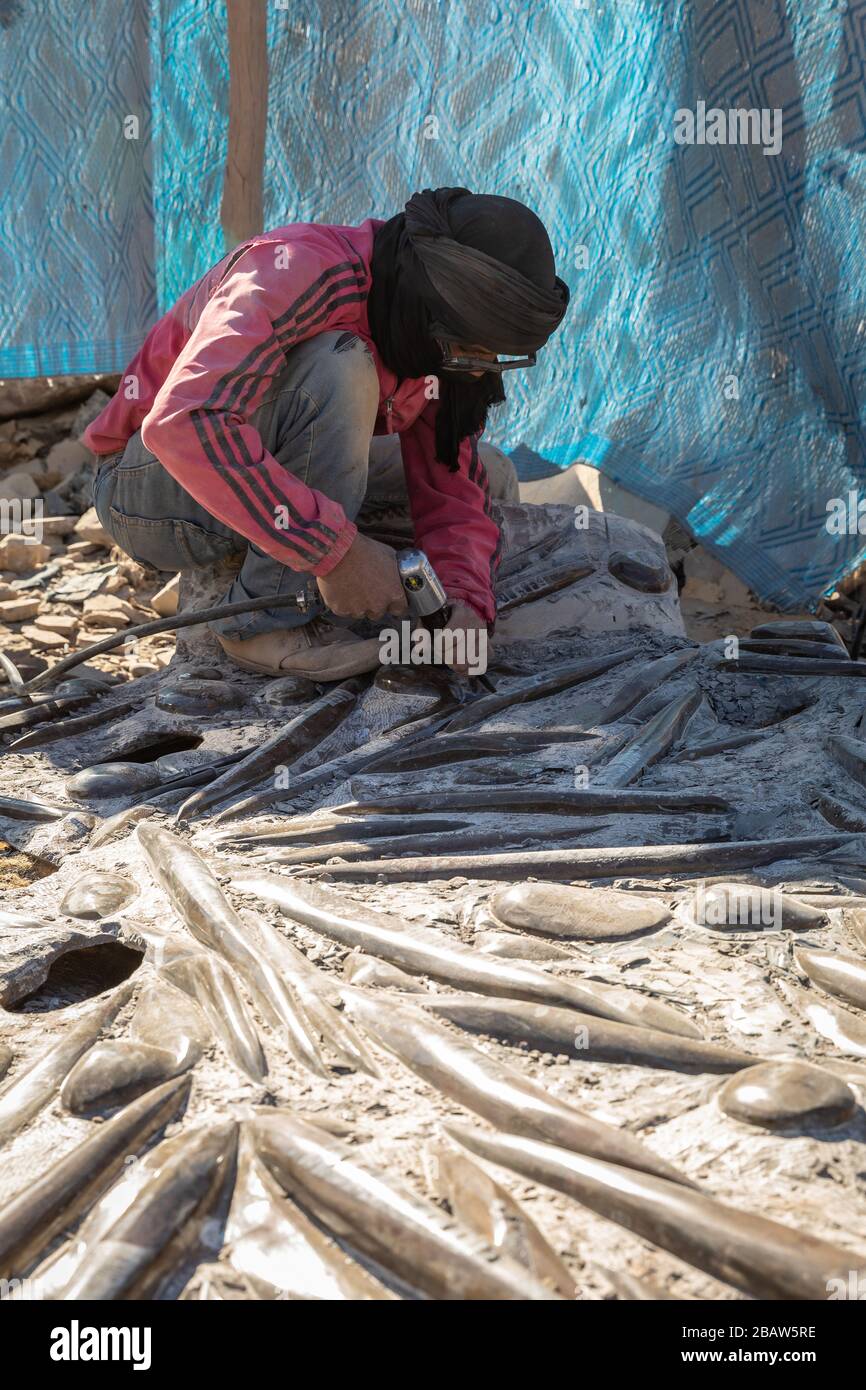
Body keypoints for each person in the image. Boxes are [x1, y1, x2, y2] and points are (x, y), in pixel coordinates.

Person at [85, 188, 569, 679]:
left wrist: (465, 596)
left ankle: (321, 556)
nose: (473, 367)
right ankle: (265, 622)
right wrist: (334, 552)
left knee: (490, 469)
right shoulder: (297, 268)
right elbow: (182, 424)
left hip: (243, 459)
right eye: (466, 348)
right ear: (432, 304)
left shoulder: (430, 331)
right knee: (342, 365)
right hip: (144, 489)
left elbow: (452, 480)